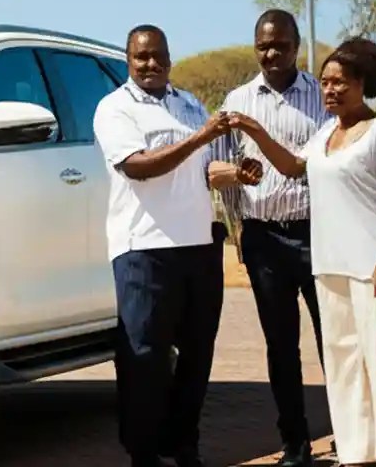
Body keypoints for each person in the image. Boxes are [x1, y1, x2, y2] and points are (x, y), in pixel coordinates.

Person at [227, 37, 376, 467]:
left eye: (339, 83)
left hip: (371, 265)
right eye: (325, 82)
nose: (329, 90)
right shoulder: (325, 132)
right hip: (329, 264)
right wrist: (254, 130)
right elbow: (292, 166)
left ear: (362, 83)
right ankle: (355, 452)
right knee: (343, 361)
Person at [93, 24, 237, 467]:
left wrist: (233, 170)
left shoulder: (189, 103)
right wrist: (200, 138)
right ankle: (143, 452)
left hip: (198, 243)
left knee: (197, 352)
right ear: (129, 60)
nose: (151, 63)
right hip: (143, 249)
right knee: (145, 357)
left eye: (159, 55)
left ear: (170, 58)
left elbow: (203, 167)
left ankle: (184, 445)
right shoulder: (115, 109)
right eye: (142, 57)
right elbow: (137, 167)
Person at [207, 8, 331, 467]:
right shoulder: (236, 102)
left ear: (298, 46)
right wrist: (237, 189)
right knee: (281, 347)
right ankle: (295, 444)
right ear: (254, 47)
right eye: (263, 46)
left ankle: (348, 433)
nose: (272, 53)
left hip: (319, 235)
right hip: (263, 241)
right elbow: (215, 172)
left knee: (332, 340)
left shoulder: (323, 97)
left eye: (281, 45)